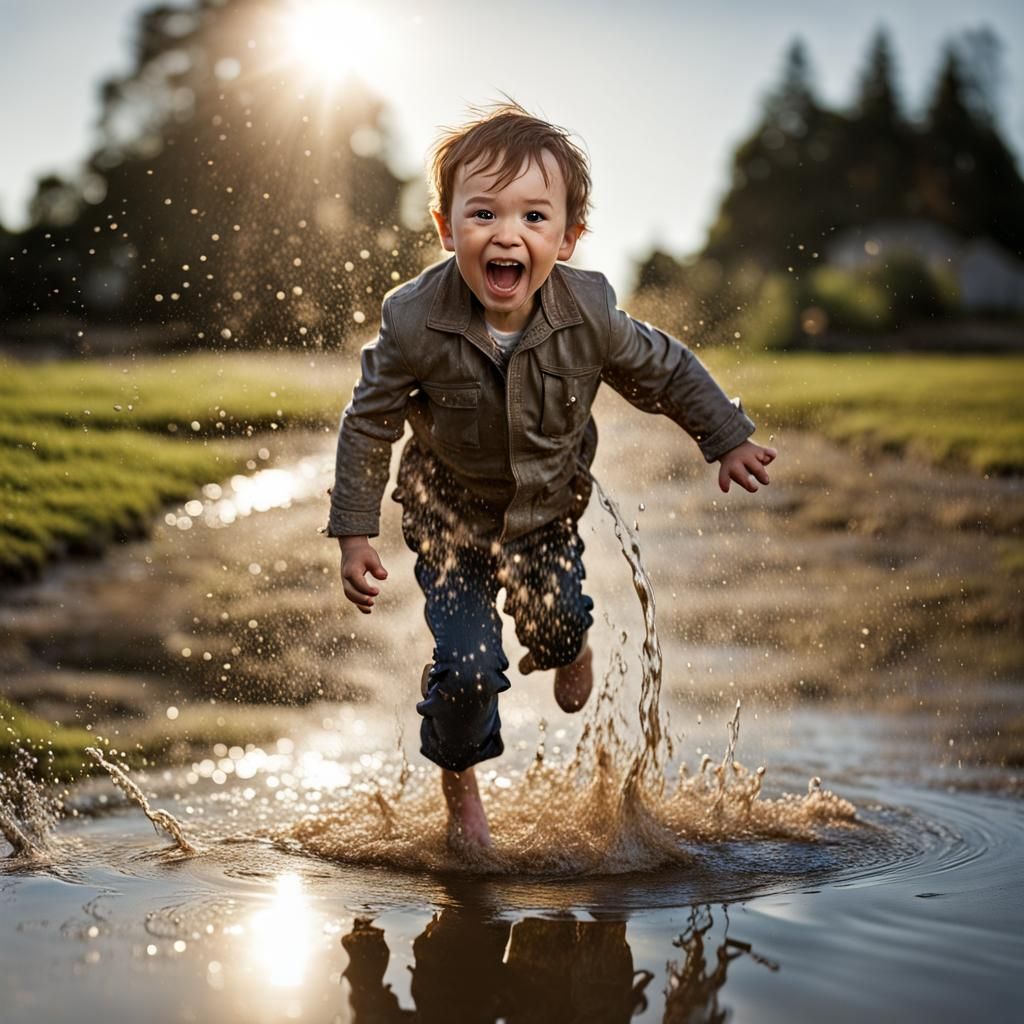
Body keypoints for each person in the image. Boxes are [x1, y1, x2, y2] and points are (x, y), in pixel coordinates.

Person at [325, 102, 776, 848]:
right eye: (483, 212)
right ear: (446, 228)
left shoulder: (589, 310)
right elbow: (369, 418)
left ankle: (571, 646)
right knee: (468, 667)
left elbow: (662, 370)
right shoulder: (412, 317)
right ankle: (461, 786)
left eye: (535, 216)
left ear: (567, 239)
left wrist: (724, 437)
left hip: (543, 514)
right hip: (447, 518)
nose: (508, 233)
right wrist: (353, 532)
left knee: (558, 619)